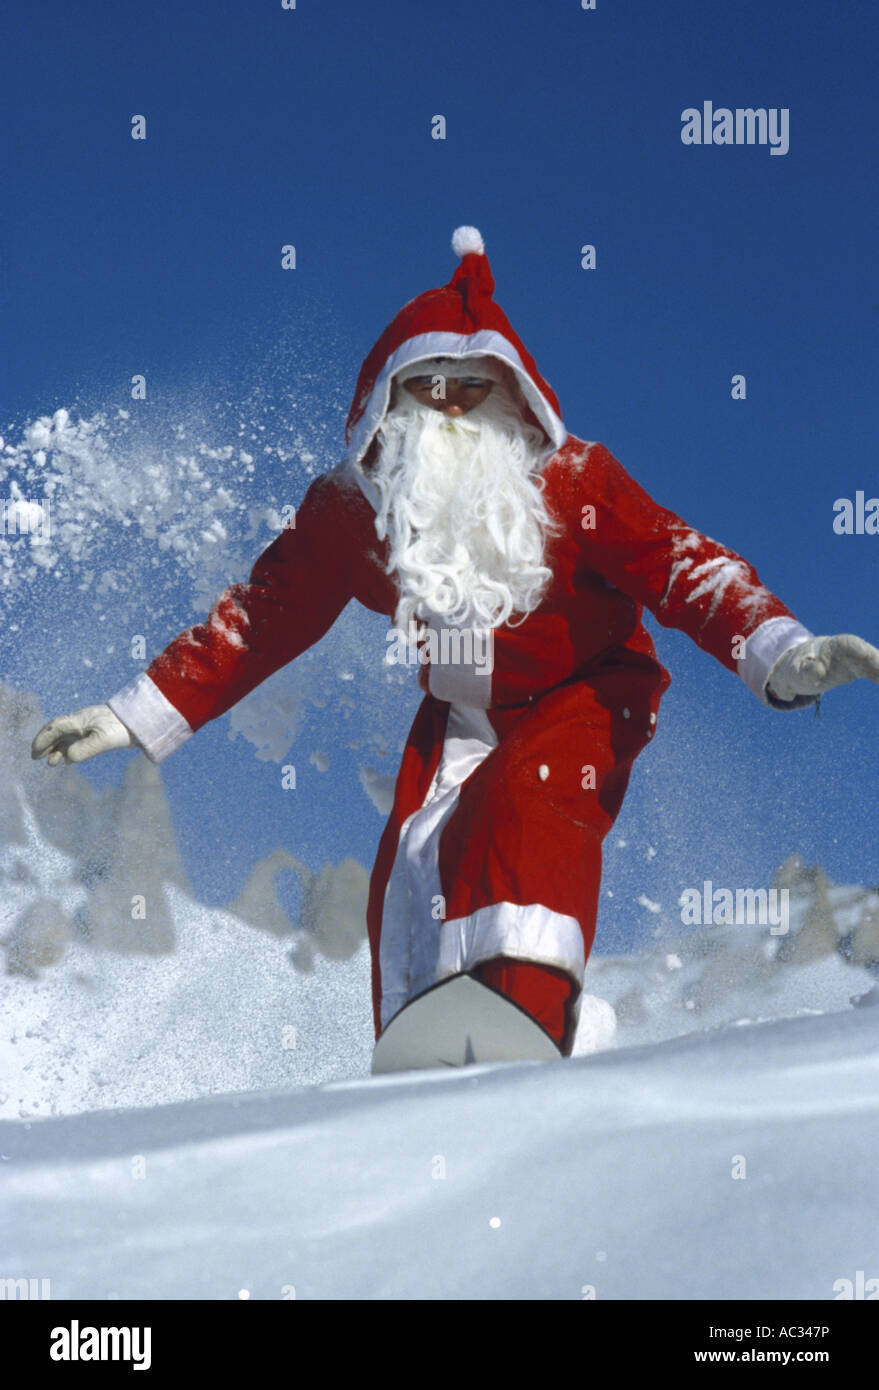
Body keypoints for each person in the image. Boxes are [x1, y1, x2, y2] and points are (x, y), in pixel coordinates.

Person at [31, 225, 879, 1061]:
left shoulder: (578, 482)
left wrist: (777, 649)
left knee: (528, 804)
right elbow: (264, 615)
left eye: (473, 388)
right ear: (386, 400)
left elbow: (681, 564)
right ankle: (433, 1033)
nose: (448, 407)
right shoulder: (350, 514)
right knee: (418, 858)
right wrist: (133, 712)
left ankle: (534, 1012)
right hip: (460, 710)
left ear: (515, 398)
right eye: (426, 385)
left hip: (587, 686)